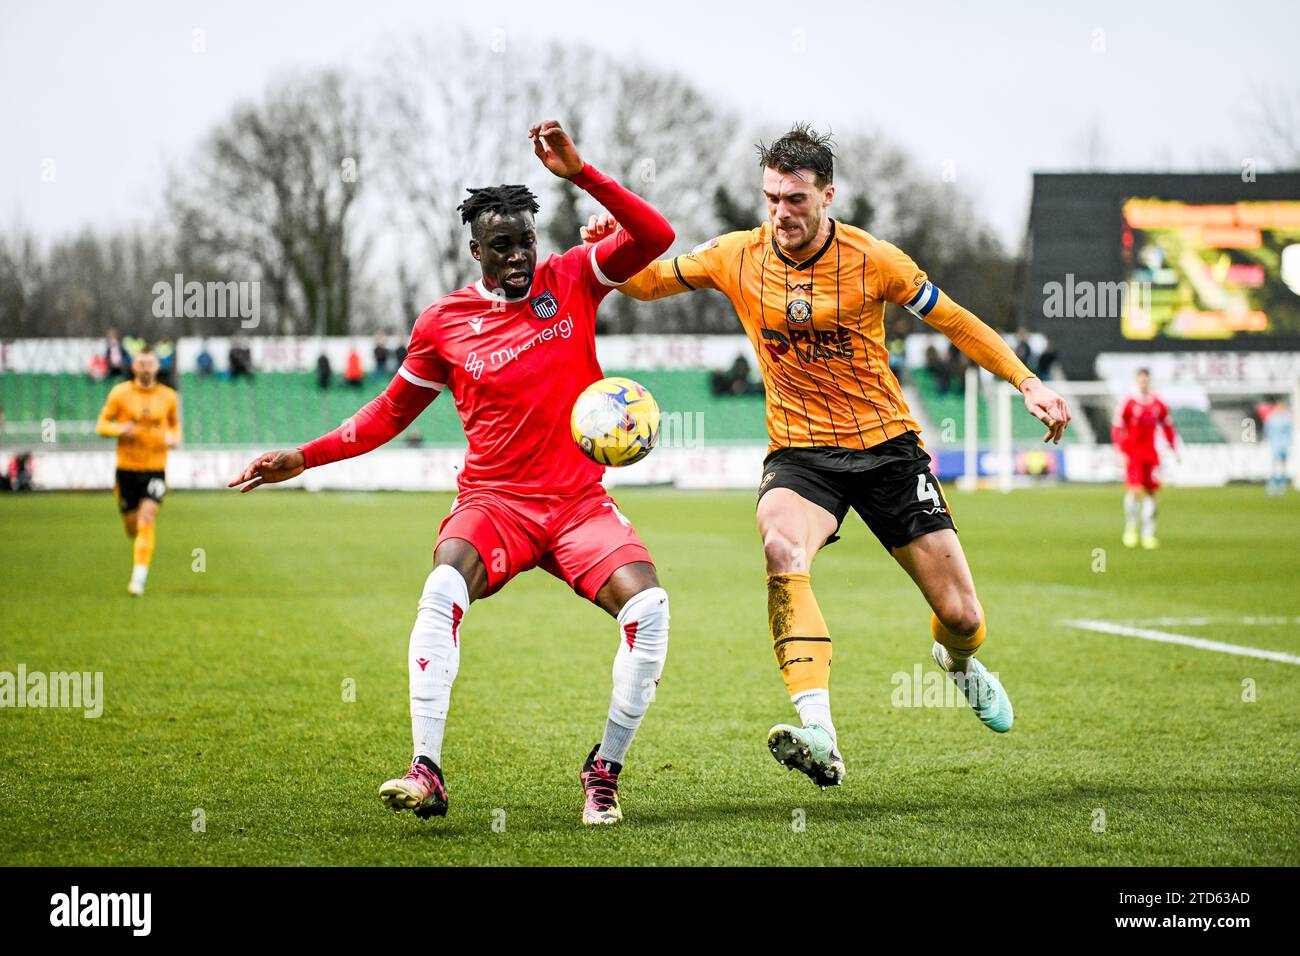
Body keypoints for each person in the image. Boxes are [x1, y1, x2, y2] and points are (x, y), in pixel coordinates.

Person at [584, 123, 1070, 789]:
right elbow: (646, 283)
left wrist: (1028, 383)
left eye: (795, 199)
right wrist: (610, 252)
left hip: (889, 450)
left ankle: (956, 665)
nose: (781, 212)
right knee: (782, 551)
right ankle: (820, 732)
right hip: (801, 454)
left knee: (962, 616)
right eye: (771, 198)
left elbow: (955, 320)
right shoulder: (736, 254)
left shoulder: (875, 260)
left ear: (827, 196)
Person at [228, 120, 676, 826]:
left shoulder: (572, 278)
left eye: (526, 240)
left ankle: (604, 771)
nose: (520, 256)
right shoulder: (444, 323)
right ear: (476, 251)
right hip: (496, 503)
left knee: (650, 613)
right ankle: (427, 769)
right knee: (441, 590)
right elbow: (386, 414)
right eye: (503, 246)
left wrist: (582, 173)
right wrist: (302, 456)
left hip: (578, 504)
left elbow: (656, 238)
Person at [95, 347, 181, 595]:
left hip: (155, 468)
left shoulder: (168, 396)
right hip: (127, 469)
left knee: (147, 519)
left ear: (156, 366)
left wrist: (173, 439)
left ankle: (138, 580)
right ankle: (137, 543)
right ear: (133, 367)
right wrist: (119, 430)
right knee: (133, 527)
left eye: (150, 363)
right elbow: (101, 424)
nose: (145, 367)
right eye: (141, 363)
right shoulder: (120, 394)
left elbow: (175, 426)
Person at [1111, 368, 1178, 549]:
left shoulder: (1158, 404)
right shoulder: (1129, 403)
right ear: (1136, 381)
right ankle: (1131, 528)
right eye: (1140, 380)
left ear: (1149, 381)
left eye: (1146, 380)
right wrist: (1120, 450)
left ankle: (1148, 533)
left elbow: (1168, 427)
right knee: (1133, 491)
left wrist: (1174, 448)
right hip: (1133, 453)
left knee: (1151, 492)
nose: (1143, 383)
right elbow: (1117, 428)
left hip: (1151, 453)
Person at [1264, 399, 1292, 496]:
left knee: (1283, 465)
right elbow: (1267, 430)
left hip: (1284, 445)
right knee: (1274, 464)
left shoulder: (1286, 418)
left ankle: (1281, 486)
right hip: (1275, 444)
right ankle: (1271, 485)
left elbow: (1289, 432)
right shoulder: (1272, 417)